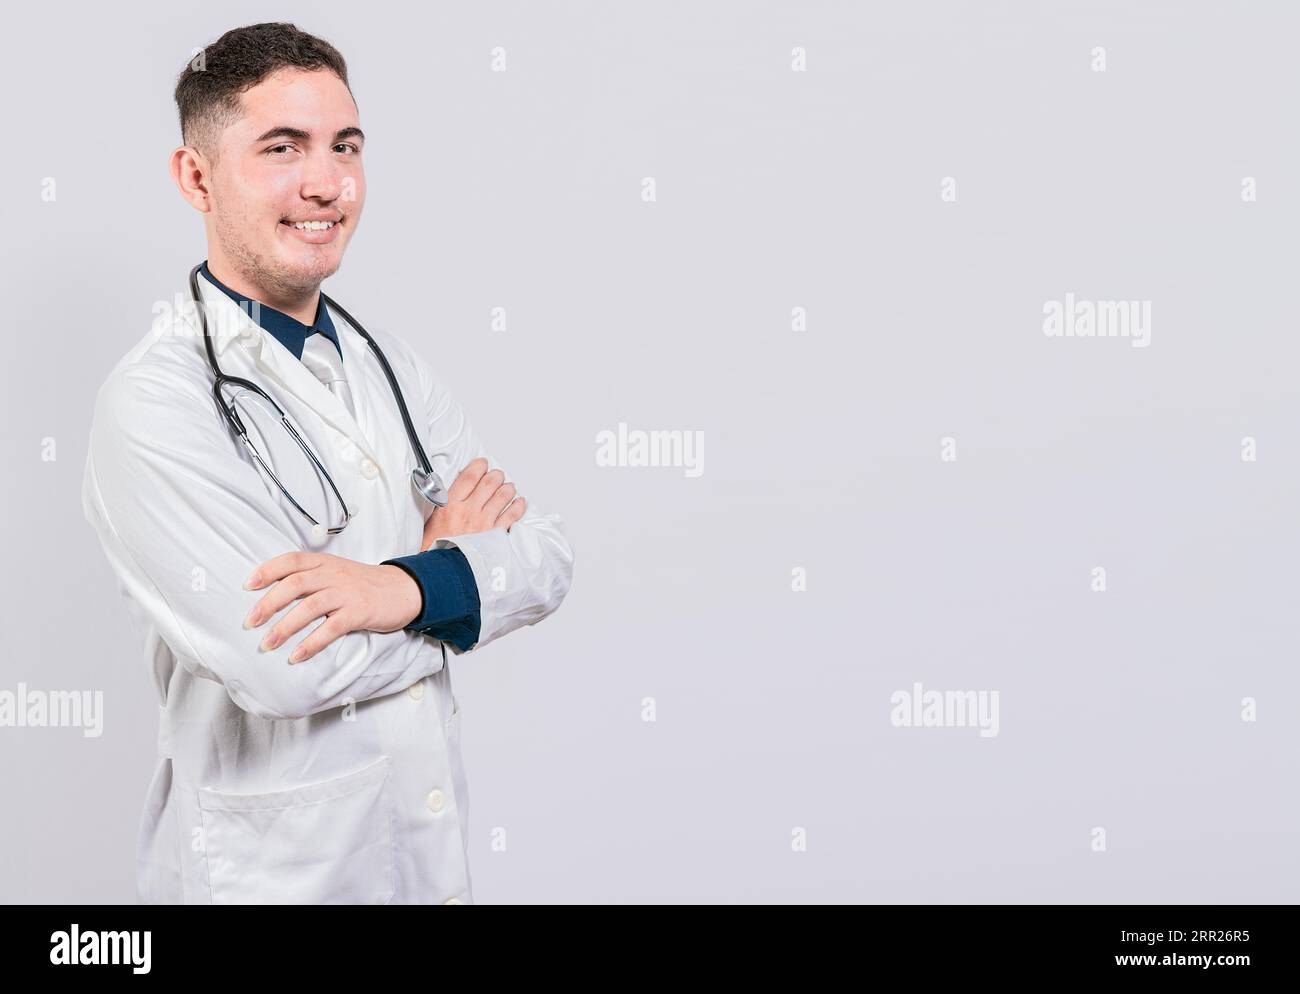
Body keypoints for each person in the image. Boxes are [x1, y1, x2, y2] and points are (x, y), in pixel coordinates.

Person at [80, 22, 574, 905]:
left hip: (427, 864)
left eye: (345, 145)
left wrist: (394, 590)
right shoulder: (154, 403)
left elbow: (546, 557)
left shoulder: (389, 365)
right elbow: (285, 667)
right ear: (196, 176)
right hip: (271, 876)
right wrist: (455, 583)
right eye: (283, 147)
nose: (327, 182)